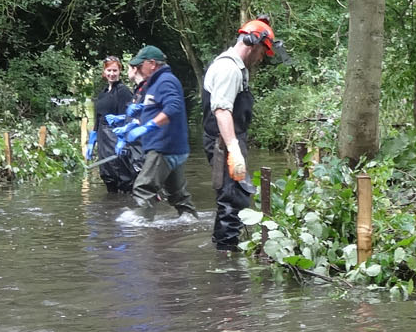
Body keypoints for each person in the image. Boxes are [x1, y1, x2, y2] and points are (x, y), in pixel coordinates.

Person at [202, 16, 286, 250]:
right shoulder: (228, 68)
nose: (261, 59)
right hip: (223, 143)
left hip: (230, 141)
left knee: (235, 196)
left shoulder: (238, 68)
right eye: (262, 53)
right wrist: (234, 151)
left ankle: (223, 248)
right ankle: (226, 261)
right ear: (254, 44)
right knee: (232, 198)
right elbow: (221, 111)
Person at [123, 45, 198, 217]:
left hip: (164, 146)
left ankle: (142, 231)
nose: (138, 69)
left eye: (140, 65)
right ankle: (191, 224)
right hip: (171, 146)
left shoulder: (165, 80)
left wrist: (148, 127)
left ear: (152, 64)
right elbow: (156, 108)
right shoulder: (156, 82)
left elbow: (173, 108)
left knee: (143, 188)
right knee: (178, 196)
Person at [90, 55, 137, 193]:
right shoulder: (102, 94)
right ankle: (110, 210)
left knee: (123, 178)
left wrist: (122, 139)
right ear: (104, 72)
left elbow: (130, 117)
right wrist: (91, 141)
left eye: (115, 70)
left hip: (117, 138)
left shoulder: (123, 91)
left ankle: (128, 208)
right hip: (103, 141)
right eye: (109, 70)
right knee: (108, 176)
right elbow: (98, 118)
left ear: (119, 71)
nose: (112, 73)